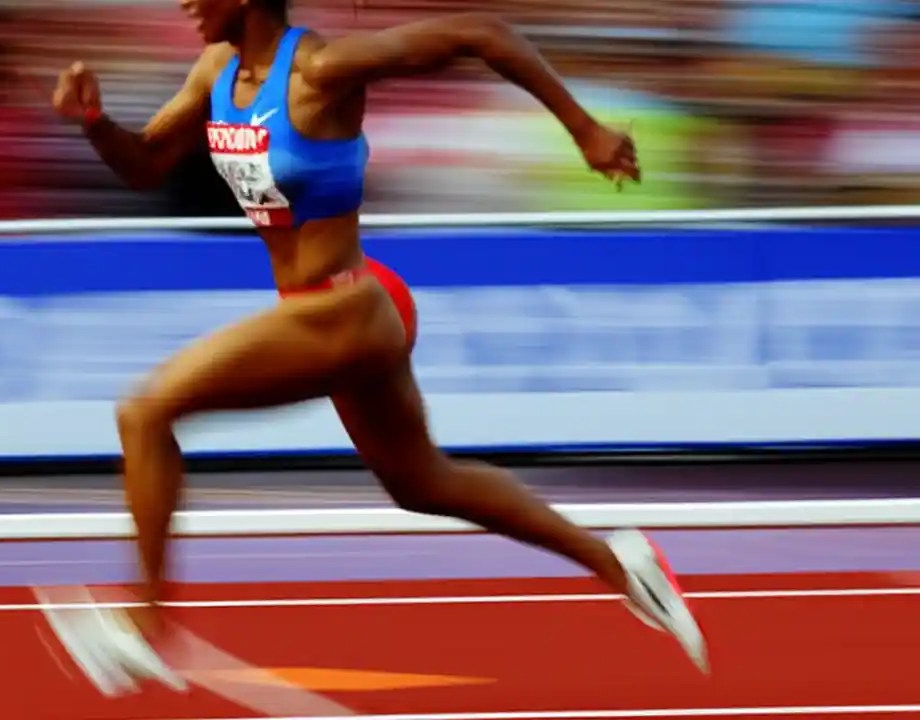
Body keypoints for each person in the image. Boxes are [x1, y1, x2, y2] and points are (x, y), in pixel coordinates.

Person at [41, 0, 708, 695]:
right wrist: (94, 124)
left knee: (145, 412)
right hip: (327, 310)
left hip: (346, 307)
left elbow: (482, 31)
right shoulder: (216, 71)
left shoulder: (323, 70)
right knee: (422, 483)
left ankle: (144, 623)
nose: (181, 3)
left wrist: (585, 129)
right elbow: (147, 163)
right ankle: (618, 561)